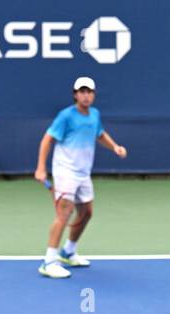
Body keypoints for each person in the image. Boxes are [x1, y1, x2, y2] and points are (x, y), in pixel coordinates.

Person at [34, 76, 128, 278]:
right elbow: (47, 139)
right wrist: (41, 167)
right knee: (64, 213)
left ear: (93, 94)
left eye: (89, 92)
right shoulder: (65, 116)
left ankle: (68, 252)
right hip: (65, 171)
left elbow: (100, 134)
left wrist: (115, 147)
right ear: (75, 94)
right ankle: (49, 261)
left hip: (83, 172)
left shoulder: (94, 114)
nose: (86, 95)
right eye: (82, 92)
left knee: (86, 212)